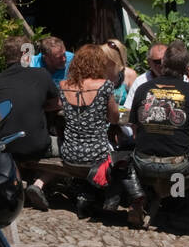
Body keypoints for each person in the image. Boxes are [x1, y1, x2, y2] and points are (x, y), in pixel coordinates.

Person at [130, 40, 189, 247]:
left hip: (143, 161)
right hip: (177, 163)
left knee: (130, 160)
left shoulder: (143, 88)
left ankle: (143, 202)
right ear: (187, 67)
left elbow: (134, 125)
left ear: (163, 64)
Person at [59, 45, 144, 221]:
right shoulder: (104, 86)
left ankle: (89, 195)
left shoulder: (64, 85)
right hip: (96, 153)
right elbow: (114, 118)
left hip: (68, 152)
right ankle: (117, 199)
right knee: (125, 156)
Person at [0, 35, 61, 211]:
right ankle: (39, 182)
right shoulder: (41, 75)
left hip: (7, 146)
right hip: (37, 144)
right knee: (68, 148)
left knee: (12, 143)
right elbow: (58, 103)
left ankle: (17, 183)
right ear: (26, 55)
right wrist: (39, 106)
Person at [101, 39, 138, 107]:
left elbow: (135, 101)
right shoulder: (99, 73)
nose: (100, 59)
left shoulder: (130, 74)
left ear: (113, 58)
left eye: (104, 56)